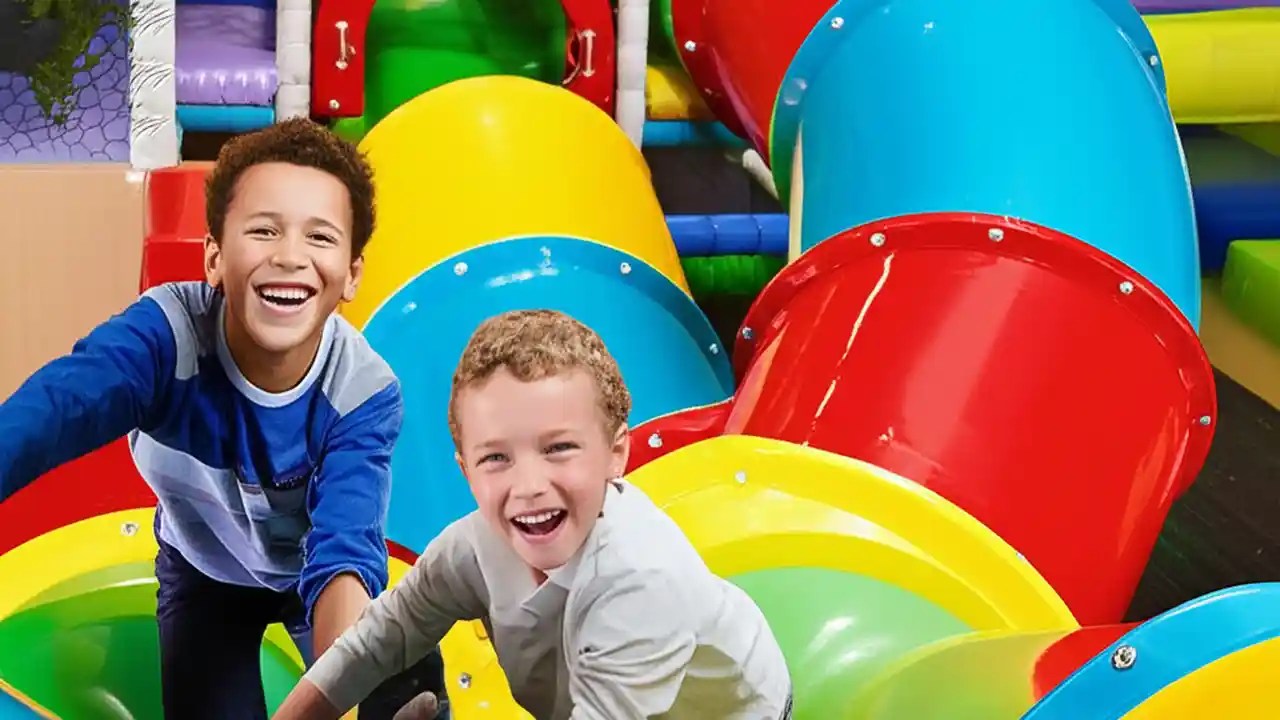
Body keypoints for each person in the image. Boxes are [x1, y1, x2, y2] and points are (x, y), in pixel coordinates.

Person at [0, 118, 445, 719]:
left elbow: (342, 548)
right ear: (214, 256)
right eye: (263, 230)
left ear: (351, 275)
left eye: (320, 238)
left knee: (398, 669)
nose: (290, 257)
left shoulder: (361, 390)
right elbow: (56, 410)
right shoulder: (166, 337)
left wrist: (345, 686)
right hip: (203, 570)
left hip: (308, 575)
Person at [272, 309, 794, 720]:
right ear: (465, 469)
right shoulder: (472, 549)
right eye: (496, 458)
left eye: (560, 448)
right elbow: (380, 636)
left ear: (617, 454)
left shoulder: (641, 579)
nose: (528, 487)